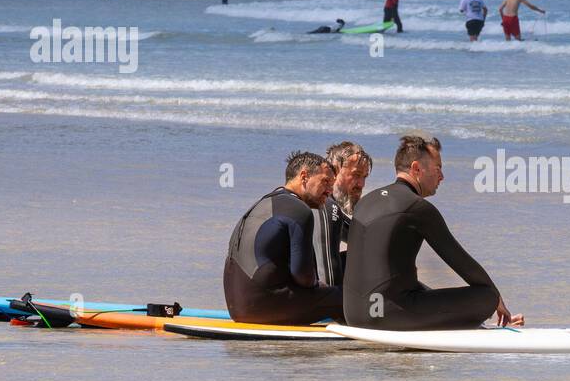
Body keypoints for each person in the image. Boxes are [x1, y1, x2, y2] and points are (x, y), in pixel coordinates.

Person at [344, 134, 522, 331]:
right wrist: (496, 300)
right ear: (416, 169)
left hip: (353, 315)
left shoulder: (366, 201)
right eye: (438, 168)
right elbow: (460, 261)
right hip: (386, 316)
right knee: (486, 297)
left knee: (406, 286)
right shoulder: (418, 208)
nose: (442, 177)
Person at [222, 151, 344, 325]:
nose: (330, 190)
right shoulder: (299, 210)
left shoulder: (263, 203)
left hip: (238, 309)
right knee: (346, 297)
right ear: (304, 176)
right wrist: (326, 290)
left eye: (332, 185)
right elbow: (304, 277)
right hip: (263, 308)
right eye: (325, 181)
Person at [322, 140, 372, 272]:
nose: (361, 184)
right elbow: (328, 272)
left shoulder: (329, 204)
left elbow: (359, 238)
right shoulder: (325, 206)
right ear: (335, 170)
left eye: (365, 177)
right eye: (356, 175)